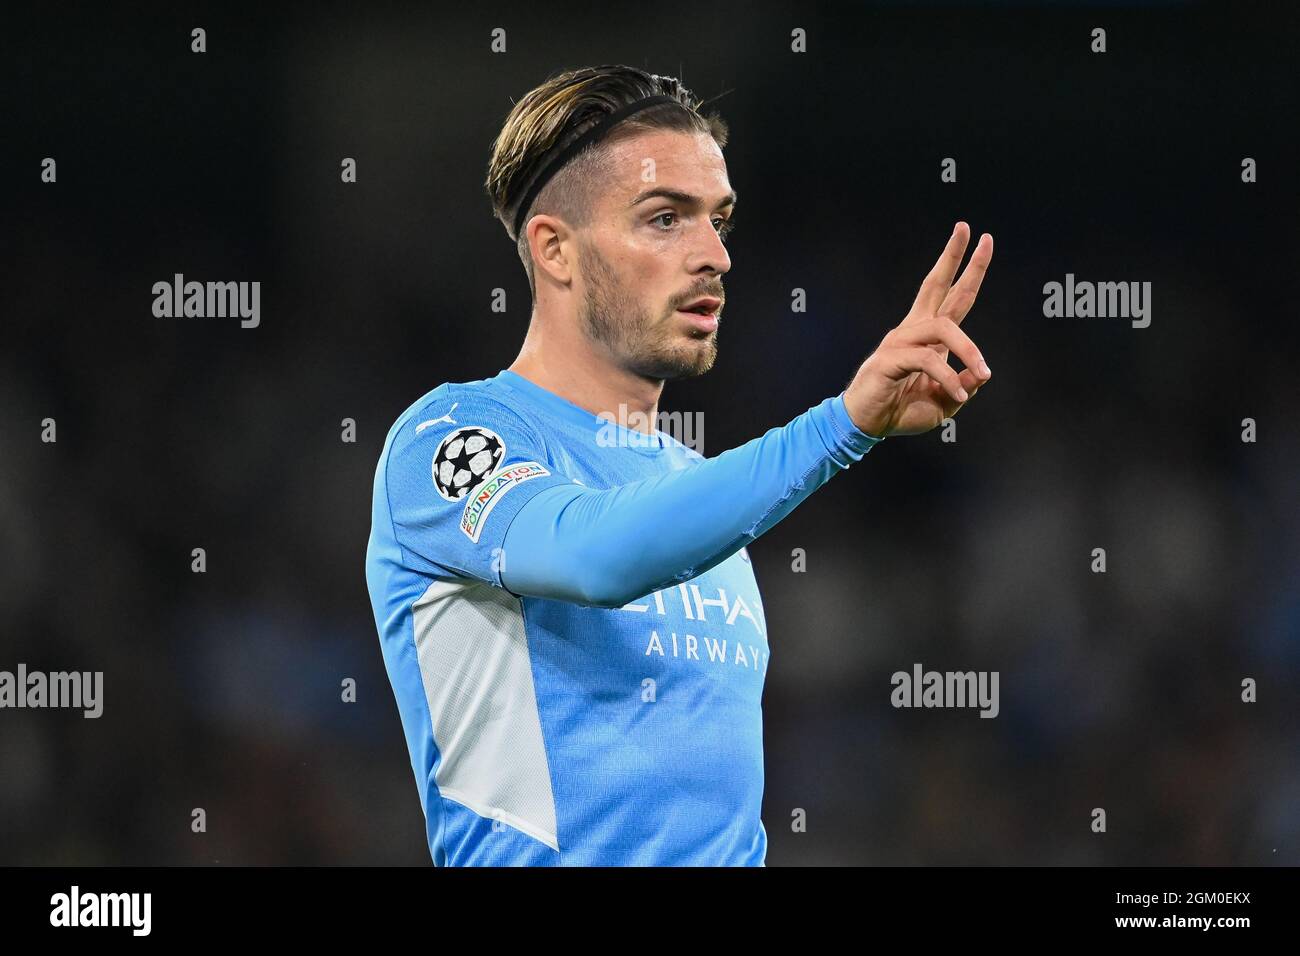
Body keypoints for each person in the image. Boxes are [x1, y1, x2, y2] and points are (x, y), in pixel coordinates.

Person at [365, 64, 994, 866]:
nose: (714, 256)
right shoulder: (450, 436)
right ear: (555, 249)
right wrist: (841, 426)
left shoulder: (695, 497)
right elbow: (590, 555)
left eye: (719, 222)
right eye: (665, 220)